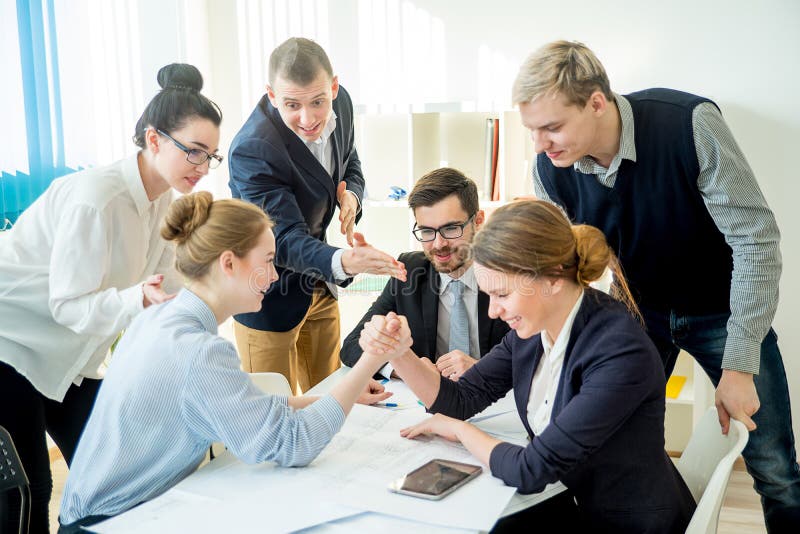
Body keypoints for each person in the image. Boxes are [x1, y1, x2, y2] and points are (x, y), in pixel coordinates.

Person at [512, 40, 800, 531]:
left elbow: (757, 240)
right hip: (638, 312)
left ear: (597, 102)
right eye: (533, 130)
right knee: (611, 445)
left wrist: (739, 364)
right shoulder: (551, 170)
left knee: (773, 469)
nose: (540, 144)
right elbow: (563, 271)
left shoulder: (688, 124)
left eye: (552, 127)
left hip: (724, 311)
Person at [56, 192, 408, 533]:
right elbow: (293, 443)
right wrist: (372, 358)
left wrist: (332, 396)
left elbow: (240, 408)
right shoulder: (198, 350)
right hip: (114, 524)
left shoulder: (161, 317)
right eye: (268, 260)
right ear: (228, 263)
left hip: (95, 516)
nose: (274, 276)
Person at [359, 200, 696, 532]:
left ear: (552, 279)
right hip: (570, 499)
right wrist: (399, 351)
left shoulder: (619, 353)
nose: (493, 311)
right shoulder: (534, 328)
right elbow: (460, 399)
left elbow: (531, 470)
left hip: (626, 522)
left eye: (502, 295)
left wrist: (461, 431)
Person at [0, 63, 222, 534]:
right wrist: (138, 299)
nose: (202, 168)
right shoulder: (97, 199)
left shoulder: (164, 202)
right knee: (31, 491)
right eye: (194, 153)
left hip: (68, 357)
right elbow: (71, 305)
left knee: (118, 470)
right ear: (155, 138)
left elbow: (167, 288)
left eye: (211, 157)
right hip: (12, 345)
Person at [228, 37, 405, 394]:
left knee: (329, 400)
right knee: (272, 413)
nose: (308, 119)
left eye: (318, 102)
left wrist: (351, 194)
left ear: (334, 87)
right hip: (267, 296)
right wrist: (348, 261)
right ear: (272, 95)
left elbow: (350, 160)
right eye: (292, 104)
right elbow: (286, 239)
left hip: (318, 287)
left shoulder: (344, 104)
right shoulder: (254, 149)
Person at [341, 168, 509, 380]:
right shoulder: (408, 271)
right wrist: (406, 369)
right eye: (427, 231)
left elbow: (538, 356)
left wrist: (482, 369)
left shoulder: (506, 272)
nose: (439, 244)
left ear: (478, 221)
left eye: (451, 229)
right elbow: (351, 346)